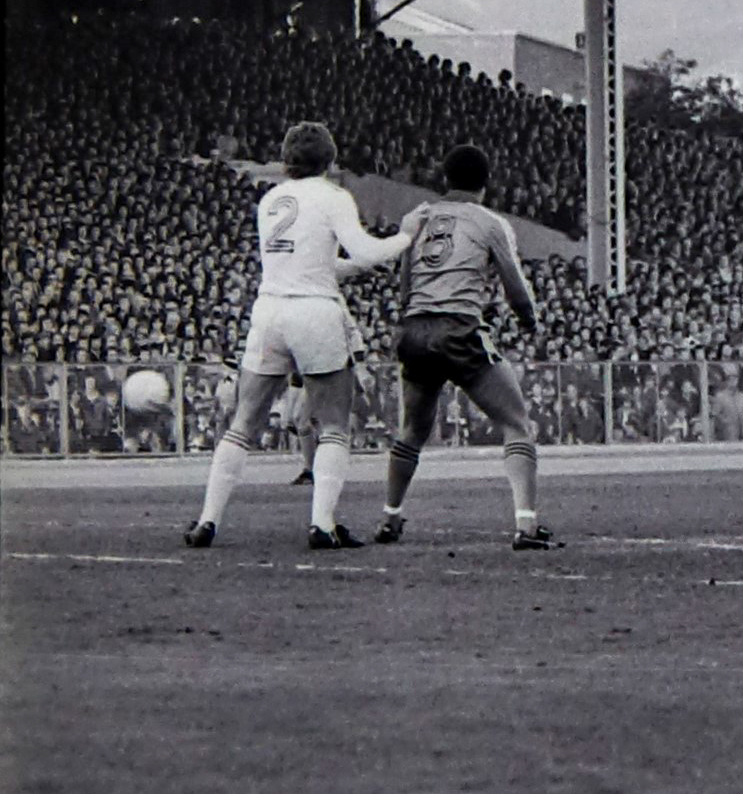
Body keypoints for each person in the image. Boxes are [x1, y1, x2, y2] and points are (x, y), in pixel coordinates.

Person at [183, 122, 412, 550]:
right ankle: (322, 524)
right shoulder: (333, 196)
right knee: (334, 424)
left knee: (243, 423)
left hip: (270, 310)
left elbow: (311, 261)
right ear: (330, 158)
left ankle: (207, 520)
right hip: (314, 312)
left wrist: (351, 267)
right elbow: (364, 251)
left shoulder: (271, 199)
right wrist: (406, 235)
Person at [374, 145, 556, 551]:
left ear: (445, 179)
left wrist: (409, 321)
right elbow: (513, 283)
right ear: (486, 182)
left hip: (416, 328)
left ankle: (389, 516)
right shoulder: (490, 222)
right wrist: (529, 320)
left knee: (413, 430)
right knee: (516, 424)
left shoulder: (419, 218)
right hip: (458, 327)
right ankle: (526, 525)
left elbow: (404, 283)